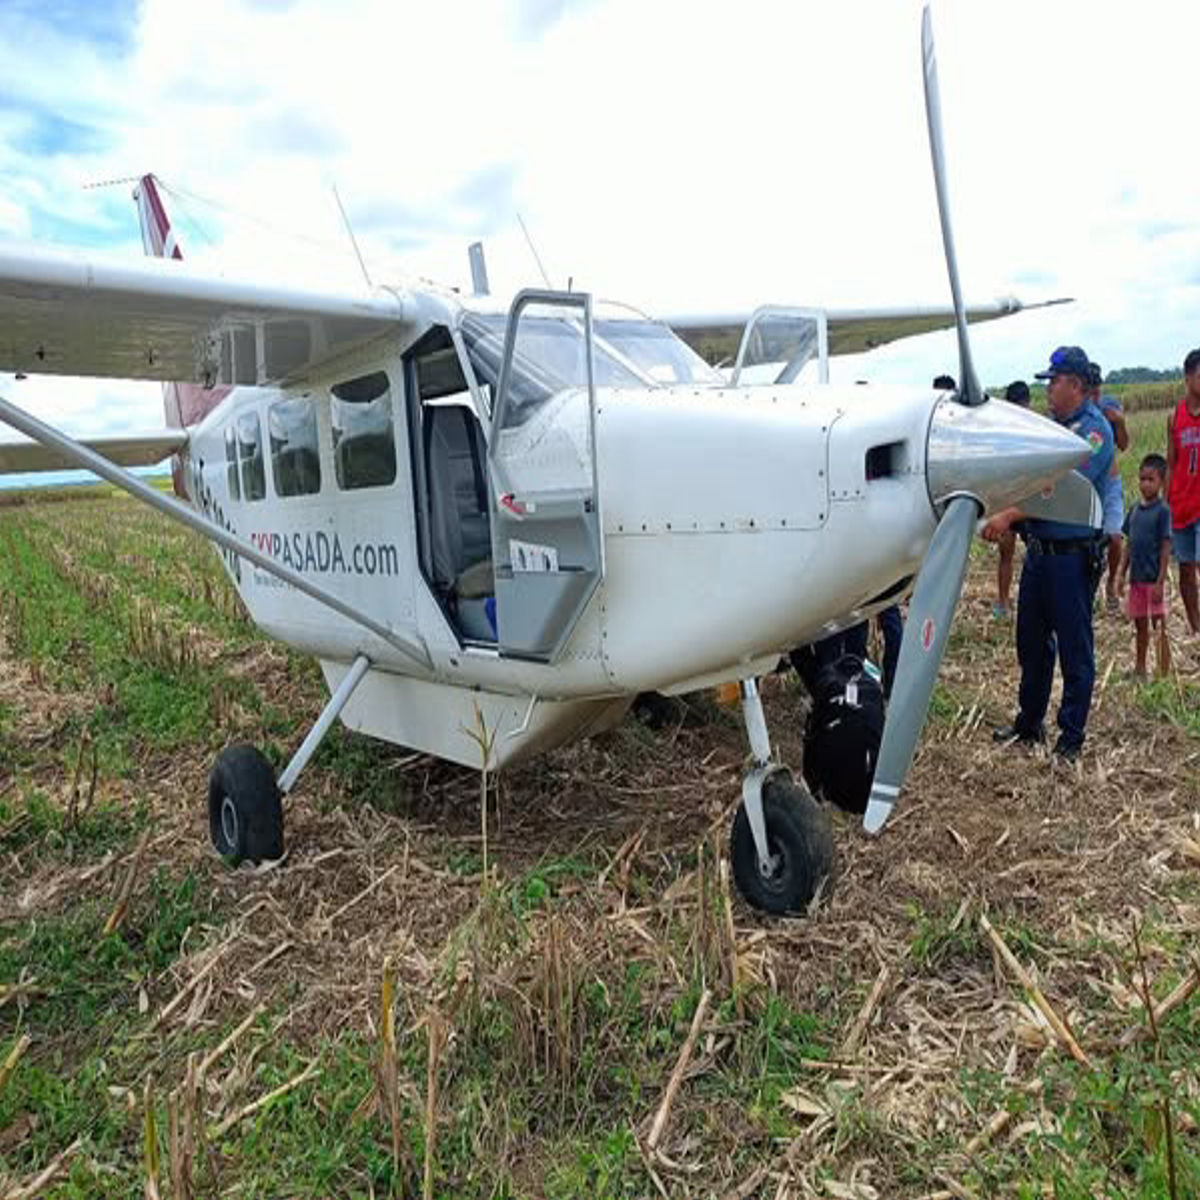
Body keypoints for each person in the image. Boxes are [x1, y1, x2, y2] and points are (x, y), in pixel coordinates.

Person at [982, 346, 1113, 760]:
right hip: (1040, 553)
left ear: (1075, 384)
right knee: (1032, 643)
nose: (1048, 390)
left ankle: (1070, 737)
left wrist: (1008, 515)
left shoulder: (1094, 434)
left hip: (1071, 557)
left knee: (1075, 649)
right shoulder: (1052, 428)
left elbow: (1060, 490)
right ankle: (1030, 724)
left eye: (1053, 382)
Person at [1117, 454, 1172, 678]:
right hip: (1137, 580)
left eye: (1151, 480)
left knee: (1159, 626)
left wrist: (1160, 581)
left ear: (1161, 482)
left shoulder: (1163, 511)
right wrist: (1121, 573)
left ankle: (1163, 671)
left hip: (1153, 580)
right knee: (1140, 626)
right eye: (1142, 479)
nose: (1145, 484)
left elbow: (1165, 548)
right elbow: (1129, 545)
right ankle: (1140, 668)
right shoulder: (1134, 511)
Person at [1088, 361, 1130, 610]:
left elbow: (1123, 445)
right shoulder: (1077, 417)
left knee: (1114, 537)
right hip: (1087, 486)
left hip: (1110, 484)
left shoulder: (1109, 408)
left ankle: (1112, 585)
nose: (1095, 396)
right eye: (1091, 391)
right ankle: (1089, 587)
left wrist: (1120, 422)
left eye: (1097, 390)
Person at [1166, 348, 1200, 636]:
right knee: (1186, 570)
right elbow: (1171, 463)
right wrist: (1164, 505)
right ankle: (1196, 627)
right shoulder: (1175, 416)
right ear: (1187, 378)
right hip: (1181, 503)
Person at [993, 380, 1031, 618]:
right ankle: (1003, 600)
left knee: (1035, 551)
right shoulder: (1002, 434)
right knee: (1006, 552)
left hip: (1028, 500)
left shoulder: (1037, 430)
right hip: (1009, 497)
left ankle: (1018, 600)